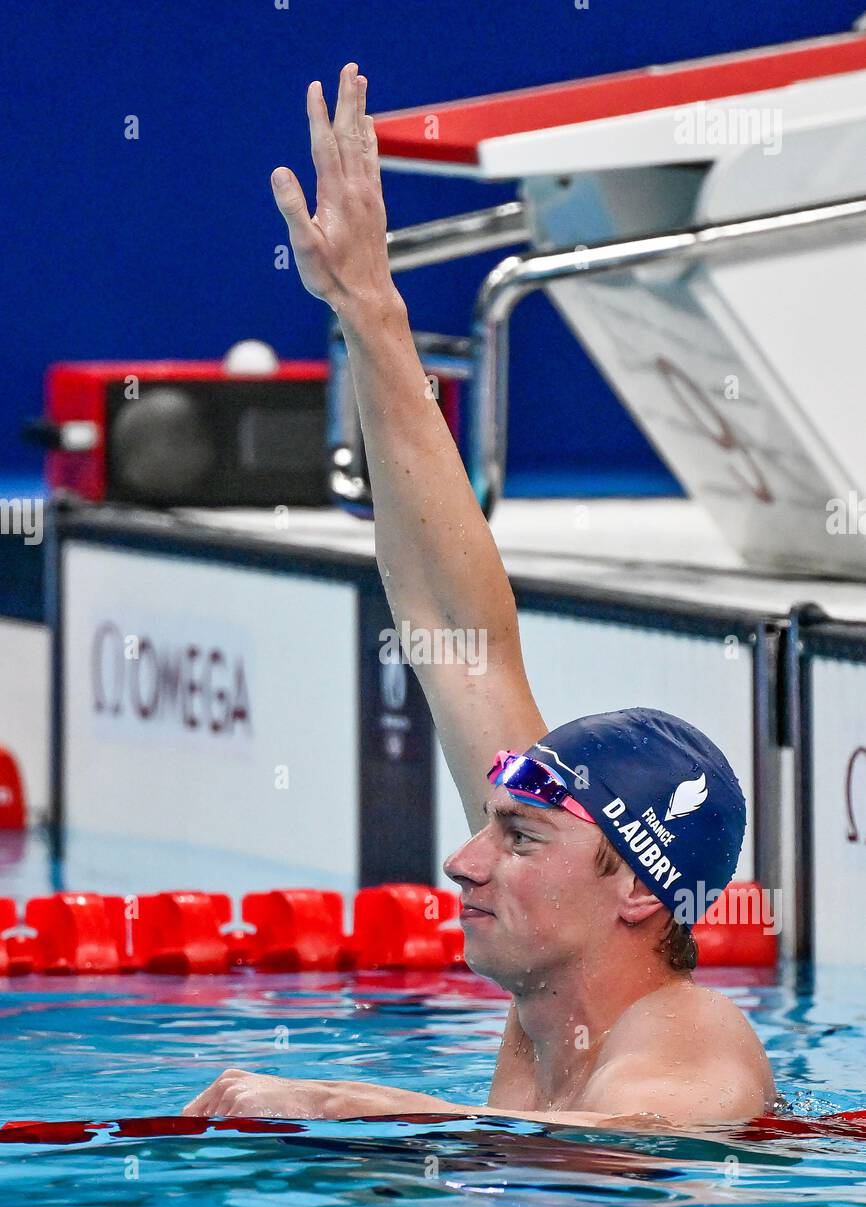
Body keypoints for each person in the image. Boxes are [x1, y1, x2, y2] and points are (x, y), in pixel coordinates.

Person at [184, 63, 776, 1131]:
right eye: (493, 826)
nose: (462, 857)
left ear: (634, 889)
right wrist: (371, 310)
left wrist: (340, 1102)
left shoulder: (685, 1041)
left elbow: (619, 1145)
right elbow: (453, 630)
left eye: (514, 836)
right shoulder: (558, 1002)